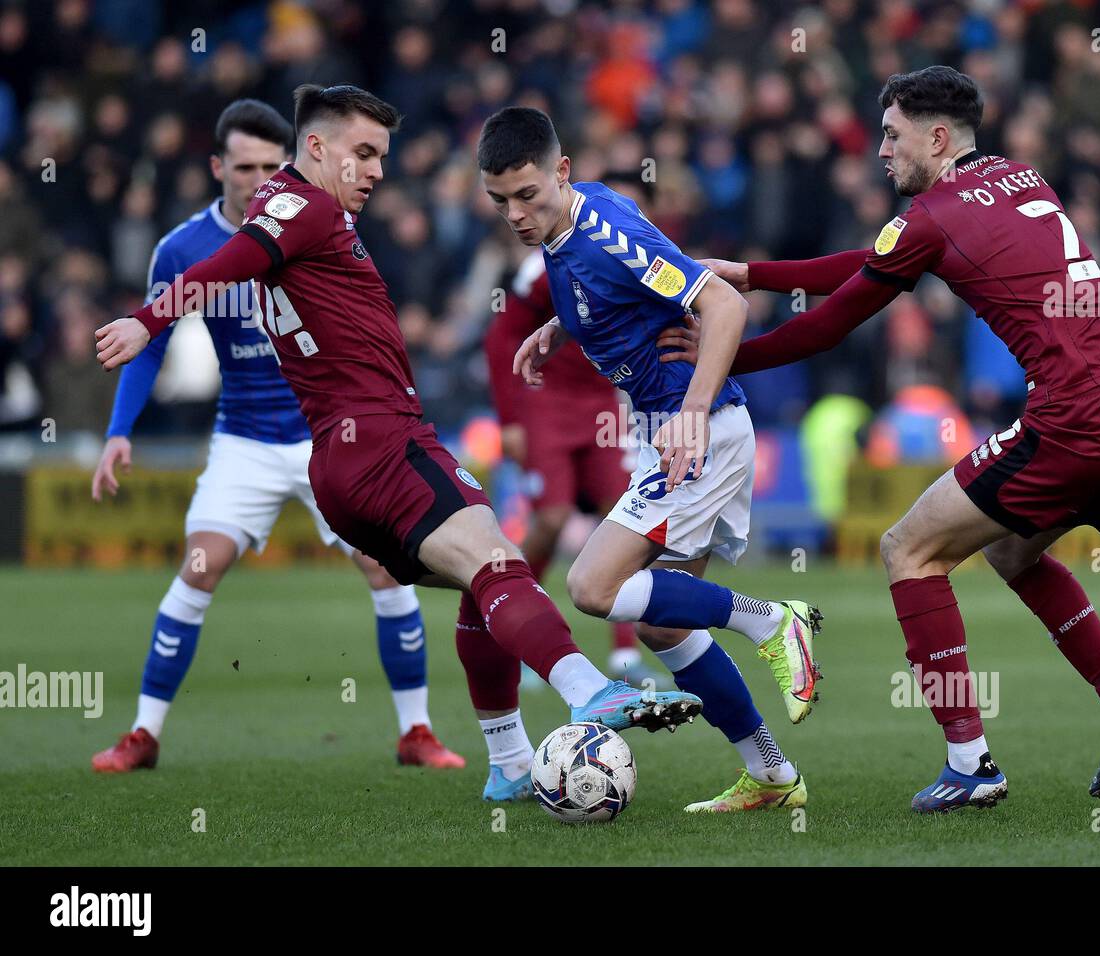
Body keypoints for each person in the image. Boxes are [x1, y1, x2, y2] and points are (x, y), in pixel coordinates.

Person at [94, 85, 704, 803]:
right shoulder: (304, 206)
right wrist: (149, 320)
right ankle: (589, 689)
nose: (375, 171)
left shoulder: (292, 210)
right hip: (383, 443)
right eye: (361, 153)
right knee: (502, 562)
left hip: (338, 462)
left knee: (485, 585)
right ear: (314, 149)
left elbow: (250, 250)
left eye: (380, 155)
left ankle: (508, 762)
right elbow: (237, 258)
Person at [659, 66, 1100, 812]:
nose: (880, 150)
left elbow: (833, 320)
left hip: (1076, 417)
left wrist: (724, 354)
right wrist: (752, 273)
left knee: (907, 548)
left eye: (893, 135)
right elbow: (879, 262)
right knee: (1010, 549)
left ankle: (970, 763)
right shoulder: (1017, 176)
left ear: (936, 138)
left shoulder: (933, 218)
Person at [90, 99, 462, 774]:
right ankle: (143, 735)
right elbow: (151, 346)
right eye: (246, 166)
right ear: (218, 168)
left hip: (329, 438)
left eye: (272, 163)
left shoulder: (322, 220)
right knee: (200, 567)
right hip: (245, 438)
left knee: (383, 566)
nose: (260, 176)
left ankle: (417, 731)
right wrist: (120, 430)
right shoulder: (182, 248)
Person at [480, 106, 821, 812]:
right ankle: (772, 777)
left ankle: (772, 620)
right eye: (499, 200)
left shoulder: (604, 232)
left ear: (562, 171)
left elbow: (724, 305)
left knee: (592, 588)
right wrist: (558, 326)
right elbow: (633, 288)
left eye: (526, 195)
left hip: (696, 427)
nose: (515, 214)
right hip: (671, 427)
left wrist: (692, 414)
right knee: (666, 625)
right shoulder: (574, 217)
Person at [483, 249, 665, 687]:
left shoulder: (638, 256)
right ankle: (522, 636)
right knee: (552, 518)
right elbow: (500, 336)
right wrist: (509, 419)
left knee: (623, 516)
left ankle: (624, 655)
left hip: (605, 402)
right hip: (545, 402)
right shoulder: (542, 267)